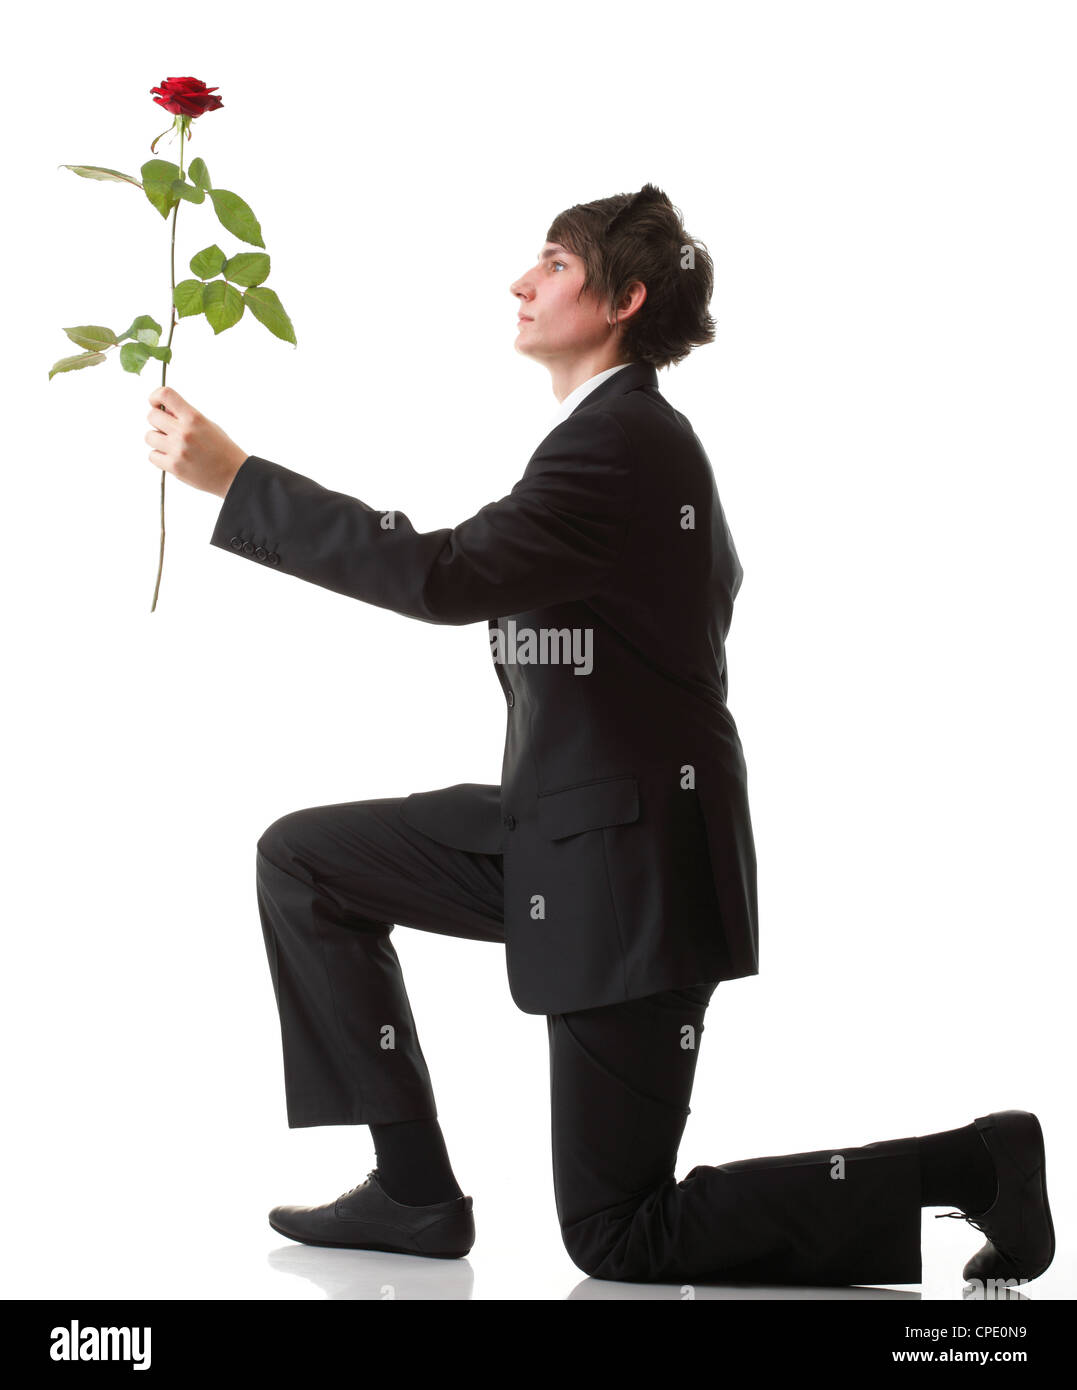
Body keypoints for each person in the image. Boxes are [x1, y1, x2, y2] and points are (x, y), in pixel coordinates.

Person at [144, 183, 1053, 1287]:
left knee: (619, 1235)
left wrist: (238, 480)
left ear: (623, 298)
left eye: (554, 265)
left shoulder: (623, 446)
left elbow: (444, 574)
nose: (522, 283)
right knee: (307, 861)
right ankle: (414, 1189)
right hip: (561, 831)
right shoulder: (614, 445)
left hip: (632, 871)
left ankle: (973, 1165)